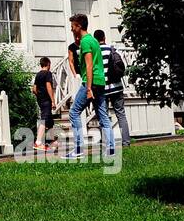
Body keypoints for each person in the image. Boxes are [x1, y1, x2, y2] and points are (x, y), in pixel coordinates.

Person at [65, 13, 114, 157]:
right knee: (103, 115)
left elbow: (89, 65)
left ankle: (79, 150)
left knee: (74, 113)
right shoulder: (93, 40)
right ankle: (111, 149)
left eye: (72, 26)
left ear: (79, 26)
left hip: (91, 82)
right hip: (100, 81)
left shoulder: (86, 42)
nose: (71, 29)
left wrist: (88, 88)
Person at [94, 29, 131, 149]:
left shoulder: (95, 52)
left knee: (103, 116)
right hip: (117, 87)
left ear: (95, 39)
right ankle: (126, 142)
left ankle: (108, 143)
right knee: (121, 114)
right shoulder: (112, 49)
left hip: (102, 89)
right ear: (104, 38)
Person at [33, 57, 56, 150]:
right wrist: (53, 100)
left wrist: (40, 96)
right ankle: (38, 142)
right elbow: (48, 86)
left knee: (49, 121)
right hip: (47, 100)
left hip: (40, 100)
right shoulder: (48, 73)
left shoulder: (38, 75)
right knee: (45, 119)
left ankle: (52, 142)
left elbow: (34, 89)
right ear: (48, 64)